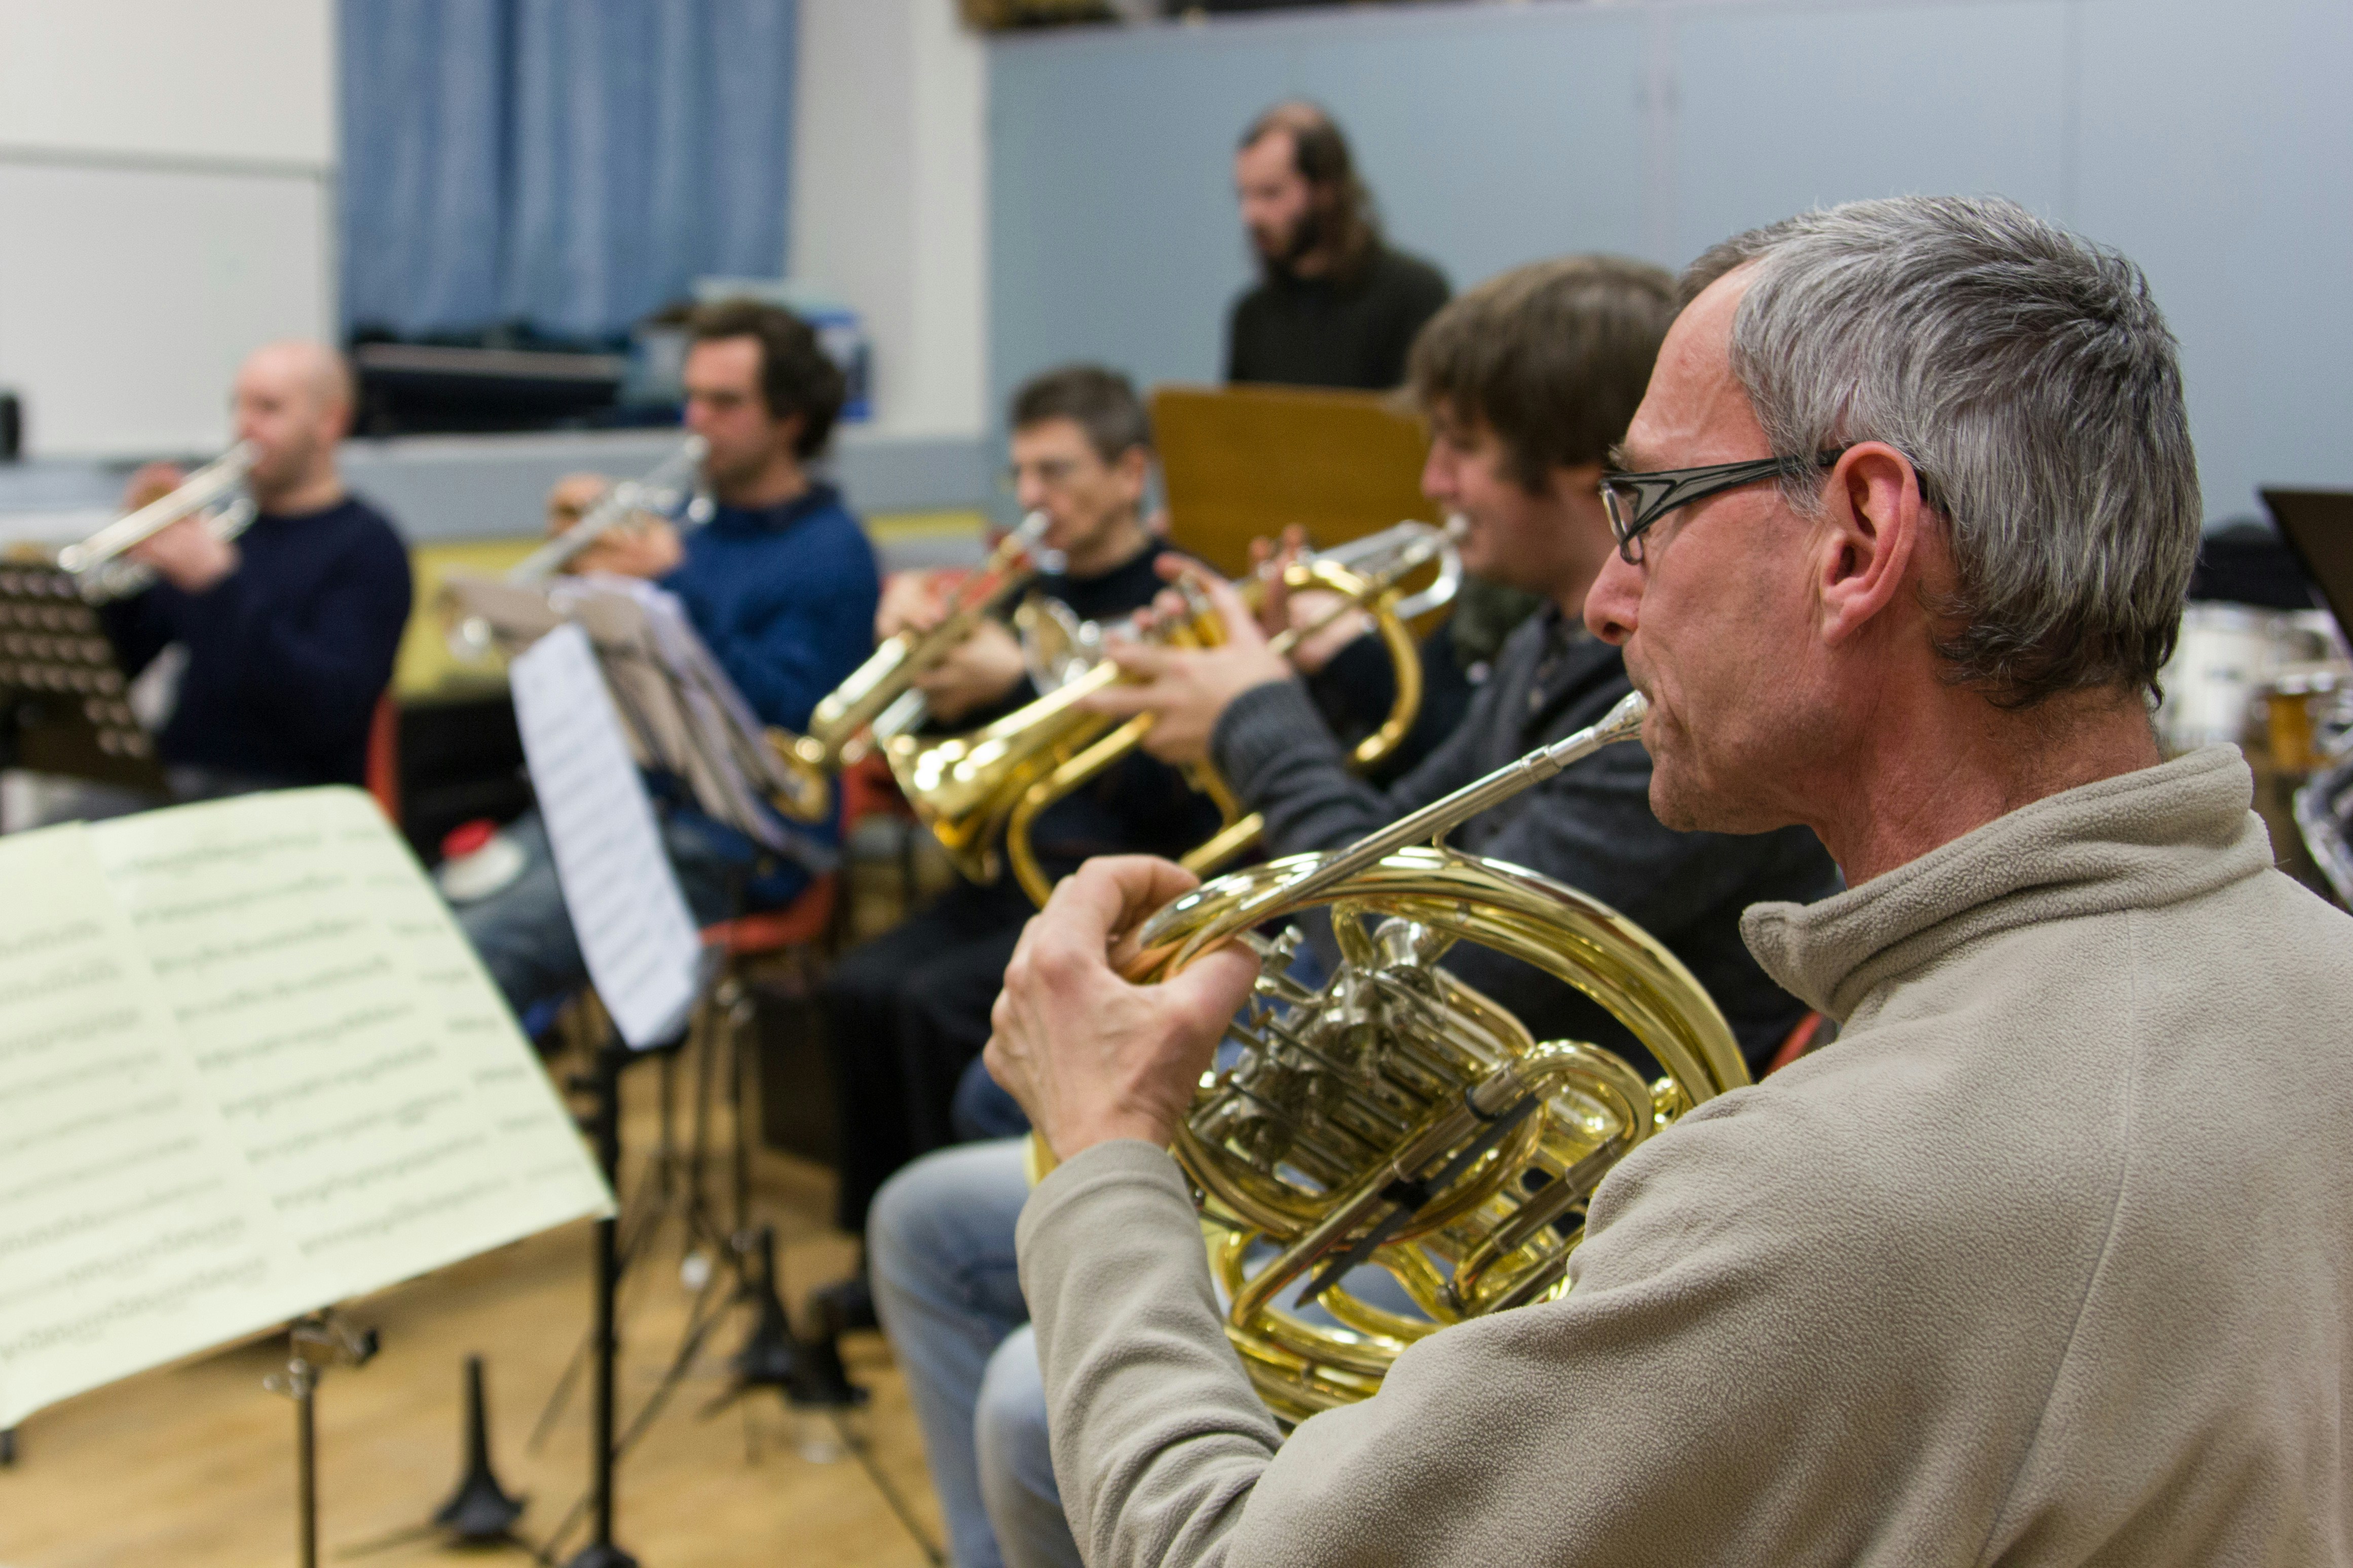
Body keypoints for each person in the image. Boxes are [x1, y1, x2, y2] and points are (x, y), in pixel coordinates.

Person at [987, 196, 2353, 1566]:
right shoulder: (2320, 968)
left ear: (1858, 537)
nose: (1604, 596)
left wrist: (1107, 1144)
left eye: (1645, 506)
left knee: (1017, 1389)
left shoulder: (1827, 1195)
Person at [871, 256, 1843, 1568]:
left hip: (1503, 1202)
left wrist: (1259, 715)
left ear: (1572, 464)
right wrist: (1275, 708)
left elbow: (1404, 938)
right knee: (924, 1217)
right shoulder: (1553, 642)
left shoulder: (1656, 704)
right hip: (1400, 1145)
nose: (1430, 483)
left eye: (1460, 446)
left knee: (1029, 1397)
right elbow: (1404, 839)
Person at [809, 366, 1223, 1329]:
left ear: (1130, 474)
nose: (1034, 500)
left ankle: (991, 1263)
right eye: (1022, 475)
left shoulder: (1179, 593)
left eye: (1058, 472)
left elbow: (1170, 786)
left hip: (1126, 884)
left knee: (932, 1006)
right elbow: (957, 755)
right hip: (1013, 873)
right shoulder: (1020, 595)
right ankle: (886, 1254)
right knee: (857, 989)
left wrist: (1026, 684)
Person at [455, 300, 878, 1022]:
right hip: (629, 805)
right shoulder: (690, 525)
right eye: (691, 397)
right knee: (434, 921)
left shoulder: (833, 552)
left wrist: (671, 586)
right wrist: (582, 587)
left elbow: (790, 720)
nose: (695, 420)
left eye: (725, 403)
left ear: (790, 418)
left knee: (485, 954)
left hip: (742, 840)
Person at [100, 340, 410, 800]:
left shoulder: (368, 547)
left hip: (287, 796)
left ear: (330, 422)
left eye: (268, 408)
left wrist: (221, 587)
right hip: (178, 779)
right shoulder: (230, 531)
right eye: (239, 406)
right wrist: (137, 549)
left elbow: (329, 709)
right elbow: (118, 663)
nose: (244, 426)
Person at [1225, 102, 1450, 392]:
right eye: (1244, 195)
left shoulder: (1415, 296)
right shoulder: (1253, 316)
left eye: (1270, 193)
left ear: (1325, 190)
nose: (1251, 216)